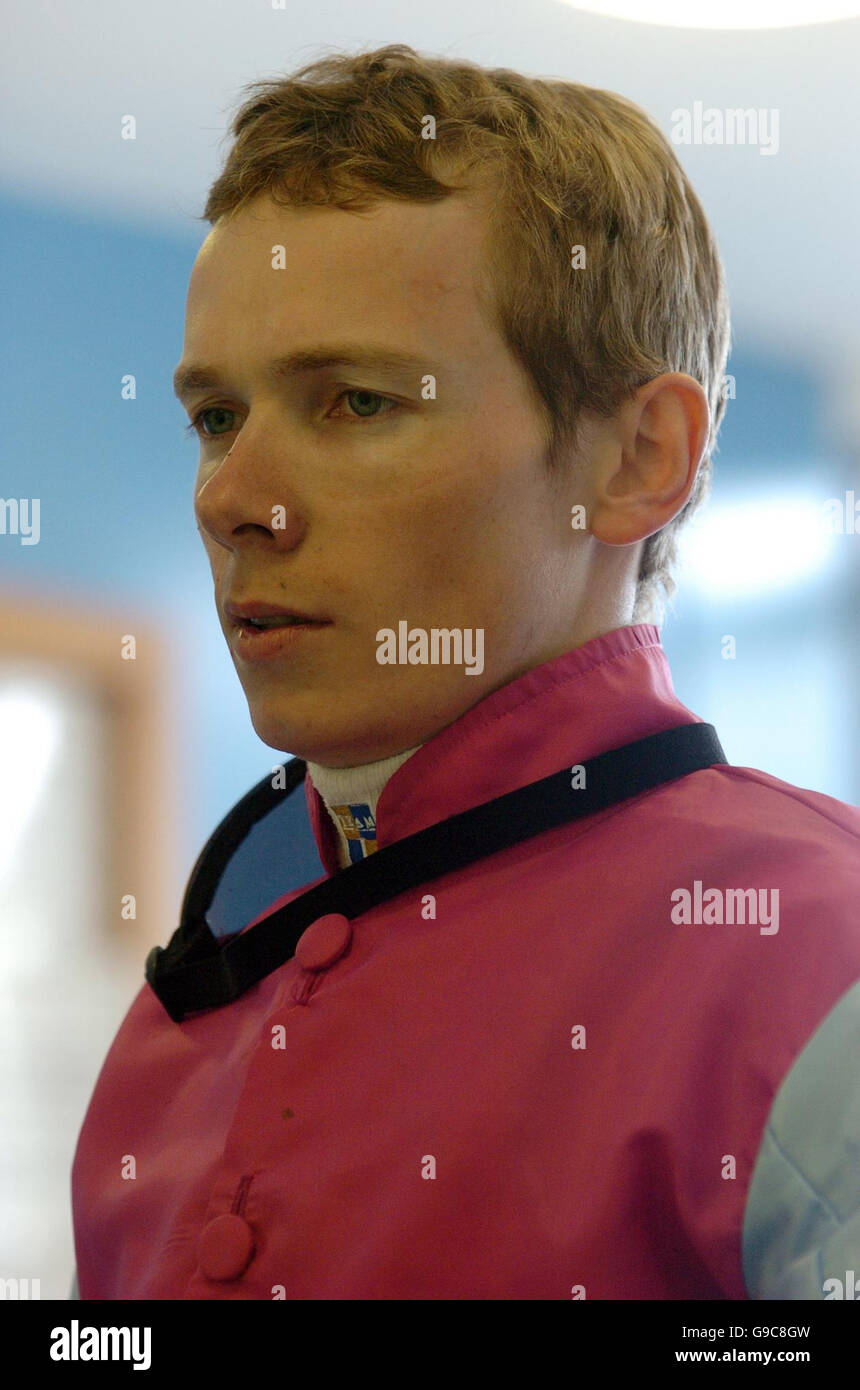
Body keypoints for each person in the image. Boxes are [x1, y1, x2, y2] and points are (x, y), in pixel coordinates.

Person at [70, 43, 860, 1300]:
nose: (232, 497)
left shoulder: (820, 954)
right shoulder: (175, 1031)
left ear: (635, 457)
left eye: (355, 403)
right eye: (216, 417)